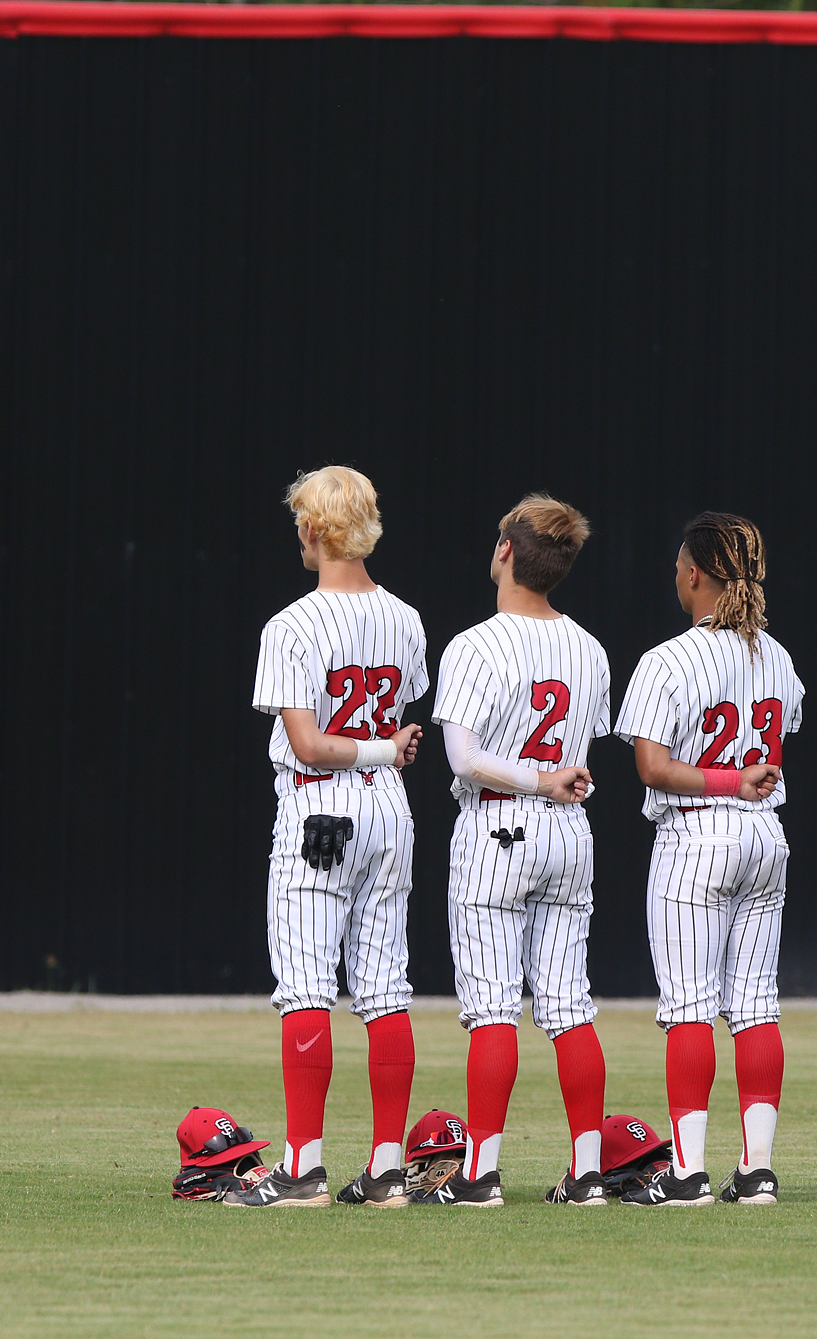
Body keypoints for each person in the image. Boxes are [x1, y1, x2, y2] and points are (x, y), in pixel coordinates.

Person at [224, 466, 427, 1209]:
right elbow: (395, 720)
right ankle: (385, 1171)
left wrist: (376, 748)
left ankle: (303, 1168)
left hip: (322, 810)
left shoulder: (291, 625)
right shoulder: (406, 618)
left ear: (314, 528)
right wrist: (384, 749)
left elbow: (309, 745)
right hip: (389, 812)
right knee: (383, 990)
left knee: (308, 988)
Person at [418, 494, 613, 1207]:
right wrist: (551, 777)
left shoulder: (474, 644)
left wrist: (536, 776)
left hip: (499, 826)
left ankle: (481, 1175)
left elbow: (463, 760)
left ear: (506, 551)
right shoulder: (589, 648)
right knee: (568, 1007)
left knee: (494, 1010)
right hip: (567, 830)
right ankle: (587, 1172)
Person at [612, 512, 804, 1207]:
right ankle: (757, 1172)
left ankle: (687, 1171)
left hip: (698, 835)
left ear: (695, 573)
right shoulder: (776, 657)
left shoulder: (667, 659)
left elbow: (652, 768)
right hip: (763, 836)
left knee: (691, 1008)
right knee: (755, 1008)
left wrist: (723, 780)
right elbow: (779, 742)